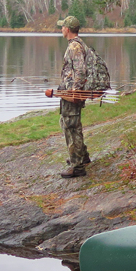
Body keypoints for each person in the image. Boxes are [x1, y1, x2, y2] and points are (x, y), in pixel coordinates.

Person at [45, 16, 92, 178]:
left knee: (71, 127)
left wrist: (74, 93)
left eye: (62, 27)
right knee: (73, 124)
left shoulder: (74, 47)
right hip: (70, 92)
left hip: (72, 94)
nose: (61, 29)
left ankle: (77, 166)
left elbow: (81, 71)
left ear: (68, 29)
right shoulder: (77, 44)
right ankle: (82, 157)